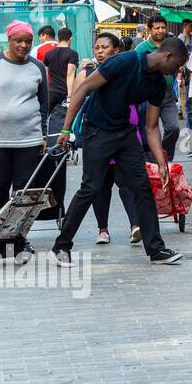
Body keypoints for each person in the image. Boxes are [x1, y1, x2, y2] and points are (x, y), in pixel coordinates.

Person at [52, 36, 189, 266]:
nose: (177, 71)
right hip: (97, 130)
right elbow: (84, 87)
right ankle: (61, 246)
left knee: (142, 187)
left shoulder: (158, 83)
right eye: (177, 65)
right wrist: (65, 130)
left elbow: (152, 126)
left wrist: (161, 162)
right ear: (168, 56)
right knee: (90, 188)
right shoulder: (124, 62)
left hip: (125, 133)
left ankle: (156, 250)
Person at [0, 21, 48, 264]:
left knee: (23, 194)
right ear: (9, 39)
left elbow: (44, 105)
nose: (23, 45)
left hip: (29, 139)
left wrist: (43, 135)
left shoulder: (37, 67)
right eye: (18, 41)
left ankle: (19, 241)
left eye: (28, 41)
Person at [73, 33, 139, 245]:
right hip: (97, 137)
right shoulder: (87, 73)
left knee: (126, 183)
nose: (100, 51)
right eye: (97, 47)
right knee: (100, 185)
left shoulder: (126, 71)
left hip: (124, 134)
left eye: (105, 47)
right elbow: (75, 99)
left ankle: (135, 225)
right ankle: (103, 229)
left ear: (116, 50)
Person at [39, 26, 80, 224]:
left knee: (46, 121)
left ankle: (46, 142)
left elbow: (45, 72)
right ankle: (61, 146)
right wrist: (71, 96)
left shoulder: (49, 53)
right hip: (64, 92)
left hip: (50, 91)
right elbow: (70, 75)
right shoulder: (72, 54)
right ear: (70, 38)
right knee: (63, 123)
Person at [135, 15, 182, 161]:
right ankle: (152, 163)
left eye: (163, 27)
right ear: (150, 30)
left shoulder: (171, 46)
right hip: (147, 93)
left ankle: (164, 158)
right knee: (149, 128)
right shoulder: (141, 48)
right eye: (156, 28)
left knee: (173, 128)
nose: (160, 31)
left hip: (167, 93)